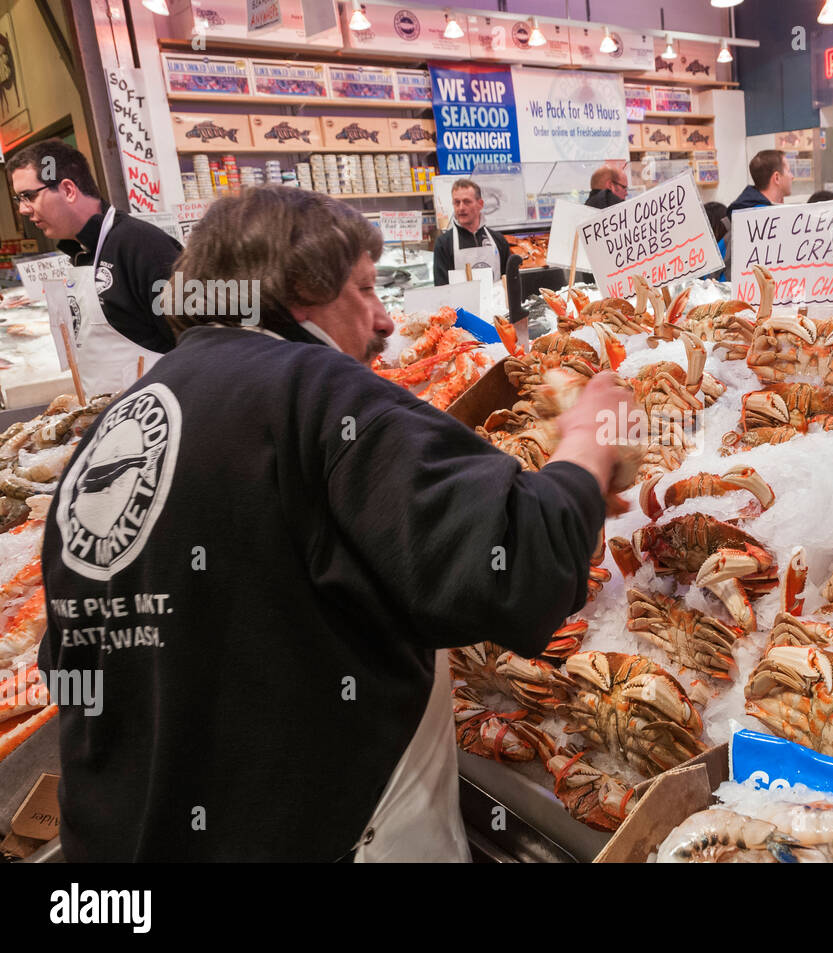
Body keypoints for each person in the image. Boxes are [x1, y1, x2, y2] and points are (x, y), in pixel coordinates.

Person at [39, 187, 631, 861]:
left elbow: (71, 668)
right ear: (299, 288)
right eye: (364, 290)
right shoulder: (312, 389)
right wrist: (587, 444)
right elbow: (522, 563)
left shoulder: (113, 432)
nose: (384, 321)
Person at [8, 139, 181, 393]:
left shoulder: (142, 245)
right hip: (108, 418)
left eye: (28, 196)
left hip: (158, 415)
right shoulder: (78, 251)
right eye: (18, 199)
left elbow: (200, 341)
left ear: (68, 190)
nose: (23, 209)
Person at [432, 178, 510, 285]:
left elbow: (509, 282)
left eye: (467, 202)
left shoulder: (498, 240)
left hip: (495, 301)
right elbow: (441, 288)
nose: (461, 208)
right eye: (456, 202)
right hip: (460, 302)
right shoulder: (443, 244)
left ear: (480, 204)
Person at [727, 149, 791, 216]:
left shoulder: (746, 209)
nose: (792, 177)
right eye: (789, 171)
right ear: (777, 178)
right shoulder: (764, 216)